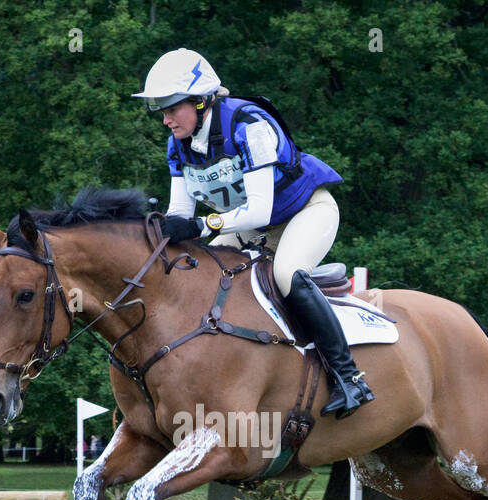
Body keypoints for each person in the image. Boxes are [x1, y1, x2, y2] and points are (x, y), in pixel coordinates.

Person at [132, 48, 374, 418]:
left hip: (305, 212)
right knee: (195, 272)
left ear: (199, 103)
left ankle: (349, 377)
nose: (165, 120)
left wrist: (203, 225)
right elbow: (181, 214)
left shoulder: (249, 125)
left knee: (286, 274)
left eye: (171, 108)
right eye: (161, 111)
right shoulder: (178, 144)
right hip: (250, 227)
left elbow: (258, 208)